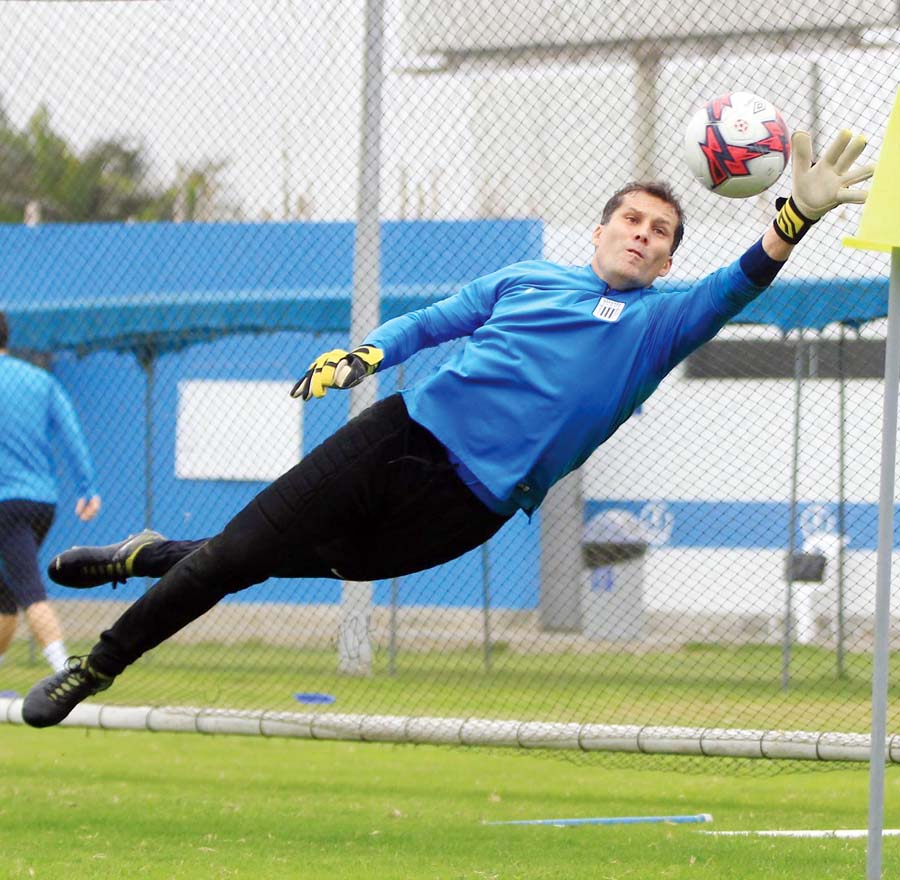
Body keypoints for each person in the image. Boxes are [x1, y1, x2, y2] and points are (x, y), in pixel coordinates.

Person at [22, 128, 873, 727]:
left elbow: (738, 283)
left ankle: (147, 555)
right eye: (632, 221)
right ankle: (95, 668)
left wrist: (791, 221)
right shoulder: (527, 278)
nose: (643, 236)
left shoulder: (661, 323)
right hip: (398, 438)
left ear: (668, 259)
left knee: (256, 558)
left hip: (468, 508)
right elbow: (432, 323)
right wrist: (363, 356)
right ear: (600, 231)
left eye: (660, 233)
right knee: (239, 556)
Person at [0, 312, 101, 676]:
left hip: (5, 504)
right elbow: (71, 433)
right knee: (6, 593)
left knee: (28, 589)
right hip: (42, 503)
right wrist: (87, 488)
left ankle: (66, 675)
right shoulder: (41, 380)